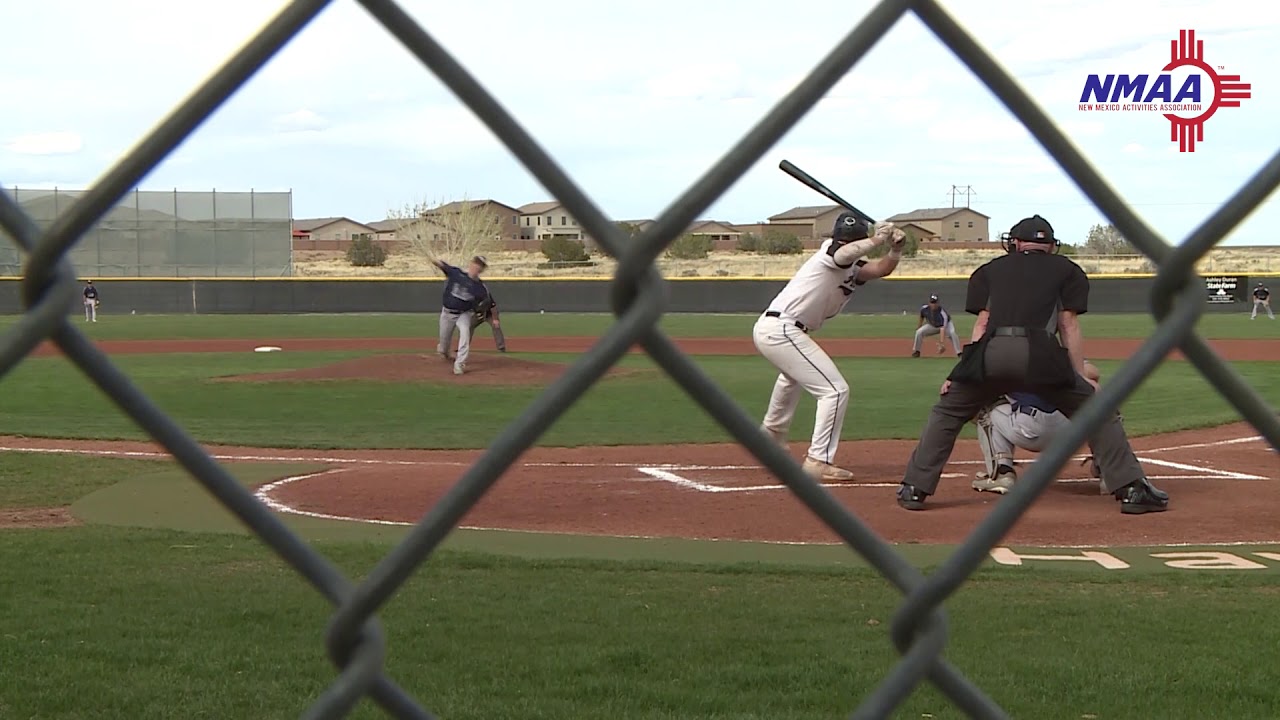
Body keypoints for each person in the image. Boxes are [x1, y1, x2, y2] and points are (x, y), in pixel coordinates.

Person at [896, 215, 1168, 514]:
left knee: (947, 411)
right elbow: (1068, 324)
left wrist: (959, 374)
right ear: (1050, 245)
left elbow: (982, 324)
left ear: (1014, 243)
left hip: (992, 350)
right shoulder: (1067, 269)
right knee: (1100, 411)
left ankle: (914, 488)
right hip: (1040, 353)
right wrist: (1079, 378)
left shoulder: (990, 269)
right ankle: (1131, 489)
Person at [754, 212, 907, 480]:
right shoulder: (830, 252)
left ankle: (770, 436)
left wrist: (895, 249)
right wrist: (878, 238)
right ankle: (818, 460)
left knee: (791, 378)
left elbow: (880, 269)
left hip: (780, 330)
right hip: (783, 328)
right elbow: (842, 255)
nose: (845, 243)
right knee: (835, 391)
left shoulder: (853, 267)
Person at [971, 361, 1106, 494]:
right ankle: (1107, 470)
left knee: (985, 408)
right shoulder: (1054, 353)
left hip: (1032, 432)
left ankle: (1002, 472)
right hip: (1072, 431)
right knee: (1096, 395)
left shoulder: (1005, 357)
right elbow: (1093, 372)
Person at [431, 255, 491, 375]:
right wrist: (435, 261)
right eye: (476, 263)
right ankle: (444, 351)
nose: (477, 267)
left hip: (464, 314)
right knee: (443, 345)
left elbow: (484, 303)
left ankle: (459, 364)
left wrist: (480, 313)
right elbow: (442, 265)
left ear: (482, 270)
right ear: (471, 264)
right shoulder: (456, 273)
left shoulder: (480, 288)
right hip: (448, 313)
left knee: (465, 333)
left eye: (480, 266)